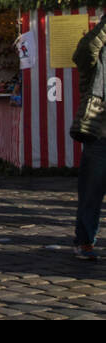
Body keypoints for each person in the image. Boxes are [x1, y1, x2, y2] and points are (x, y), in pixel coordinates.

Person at [71, 16, 106, 261]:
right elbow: (84, 50)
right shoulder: (94, 63)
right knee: (91, 193)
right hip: (100, 136)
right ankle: (85, 242)